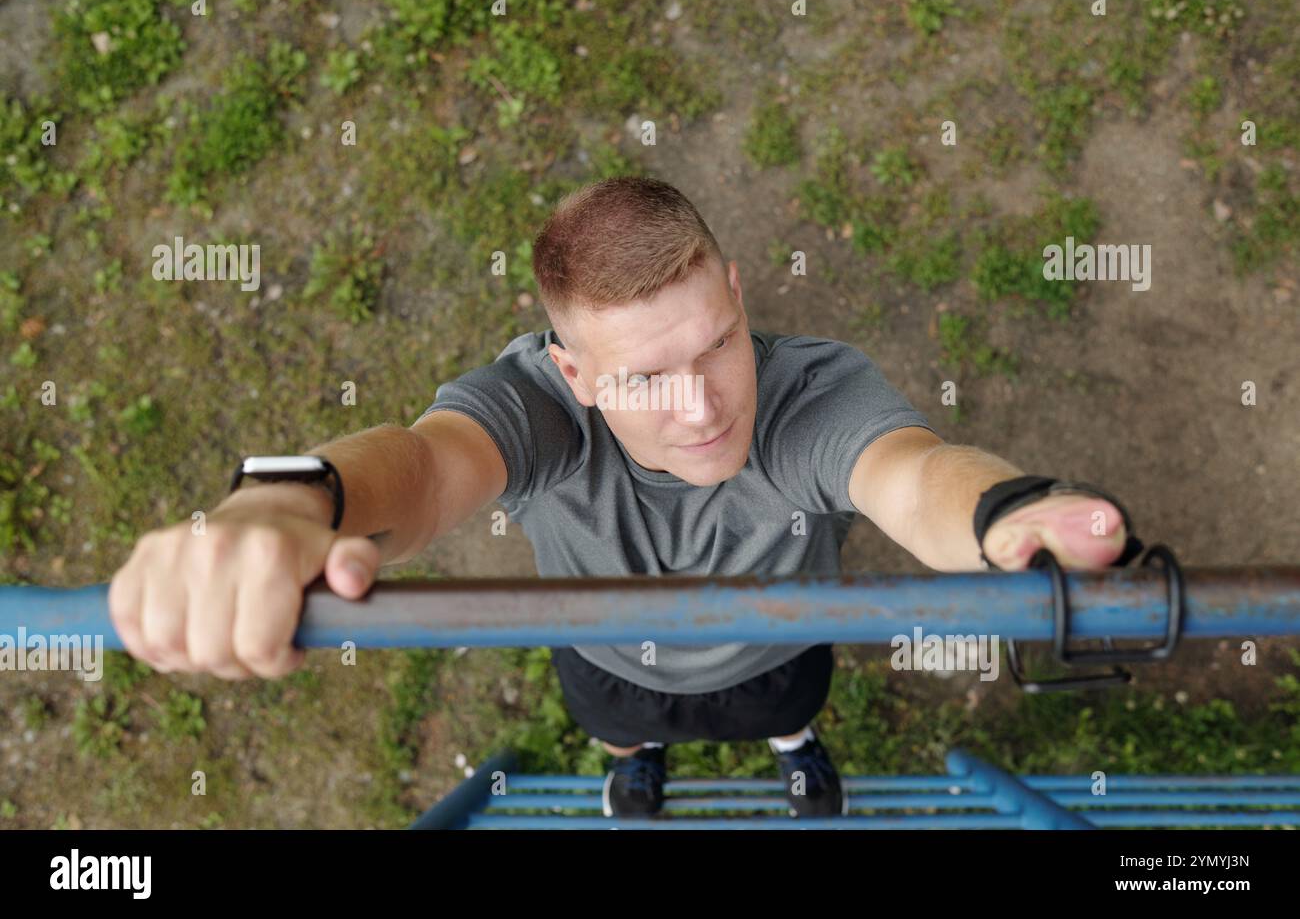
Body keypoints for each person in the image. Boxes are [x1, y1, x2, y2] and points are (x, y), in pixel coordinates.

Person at [109, 176, 1136, 819]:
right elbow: (424, 467)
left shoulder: (812, 390)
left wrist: (1005, 510)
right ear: (575, 372)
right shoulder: (536, 405)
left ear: (737, 293)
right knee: (619, 726)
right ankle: (634, 769)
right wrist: (287, 502)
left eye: (716, 345)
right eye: (643, 377)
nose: (699, 410)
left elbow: (910, 474)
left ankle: (793, 750)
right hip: (608, 664)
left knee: (788, 715)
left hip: (776, 656)